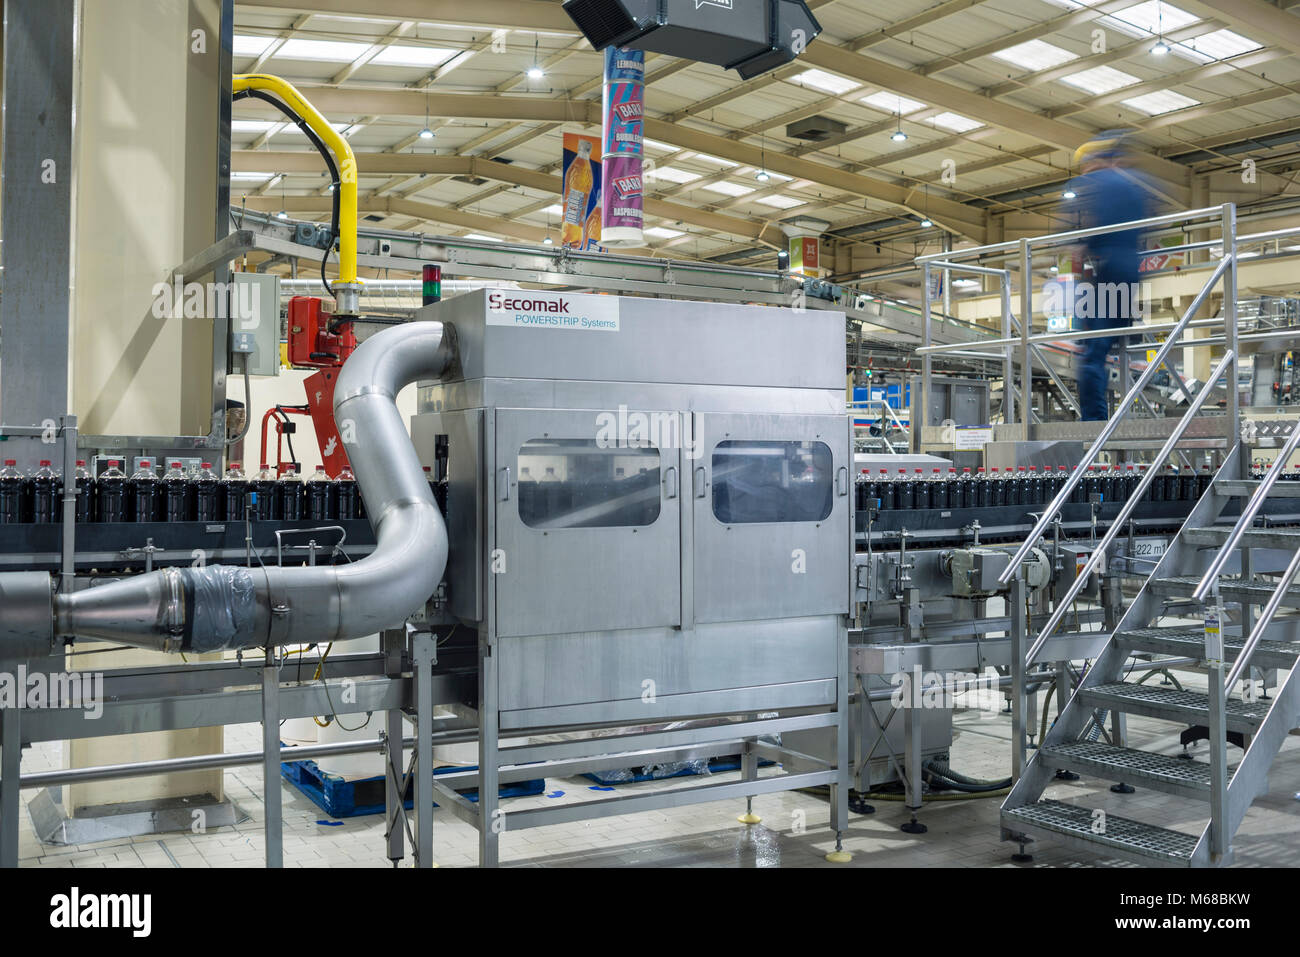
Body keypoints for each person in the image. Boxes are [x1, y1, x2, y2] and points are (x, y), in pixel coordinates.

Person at [1063, 131, 1155, 421]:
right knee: (1112, 342)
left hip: (1110, 269)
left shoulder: (1099, 183)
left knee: (1091, 353)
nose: (1086, 172)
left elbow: (1083, 225)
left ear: (1098, 160)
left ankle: (1094, 421)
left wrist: (1081, 246)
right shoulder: (1137, 185)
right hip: (1131, 269)